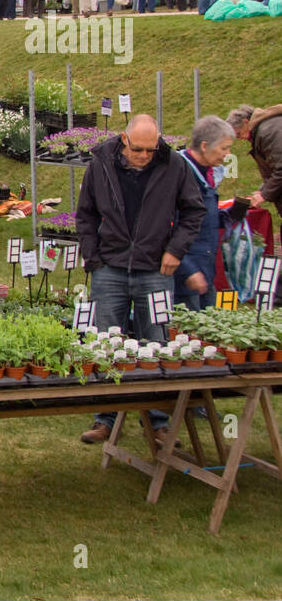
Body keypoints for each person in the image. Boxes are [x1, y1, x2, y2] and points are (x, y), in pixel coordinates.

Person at [76, 115, 205, 446]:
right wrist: (94, 259)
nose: (145, 156)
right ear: (124, 140)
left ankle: (158, 421)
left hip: (154, 272)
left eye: (151, 149)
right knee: (106, 344)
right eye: (138, 149)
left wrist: (175, 250)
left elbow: (193, 211)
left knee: (156, 342)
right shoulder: (101, 163)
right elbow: (86, 214)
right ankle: (106, 417)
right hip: (110, 270)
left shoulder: (174, 165)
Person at [174, 116, 235, 311]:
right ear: (204, 145)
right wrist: (189, 271)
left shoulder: (207, 172)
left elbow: (201, 218)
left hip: (204, 272)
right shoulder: (179, 176)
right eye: (224, 148)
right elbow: (166, 229)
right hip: (185, 278)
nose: (227, 154)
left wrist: (229, 215)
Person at [227, 103, 282, 217]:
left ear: (246, 122)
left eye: (238, 134)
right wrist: (263, 189)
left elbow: (280, 169)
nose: (240, 138)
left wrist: (264, 195)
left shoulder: (267, 133)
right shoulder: (267, 127)